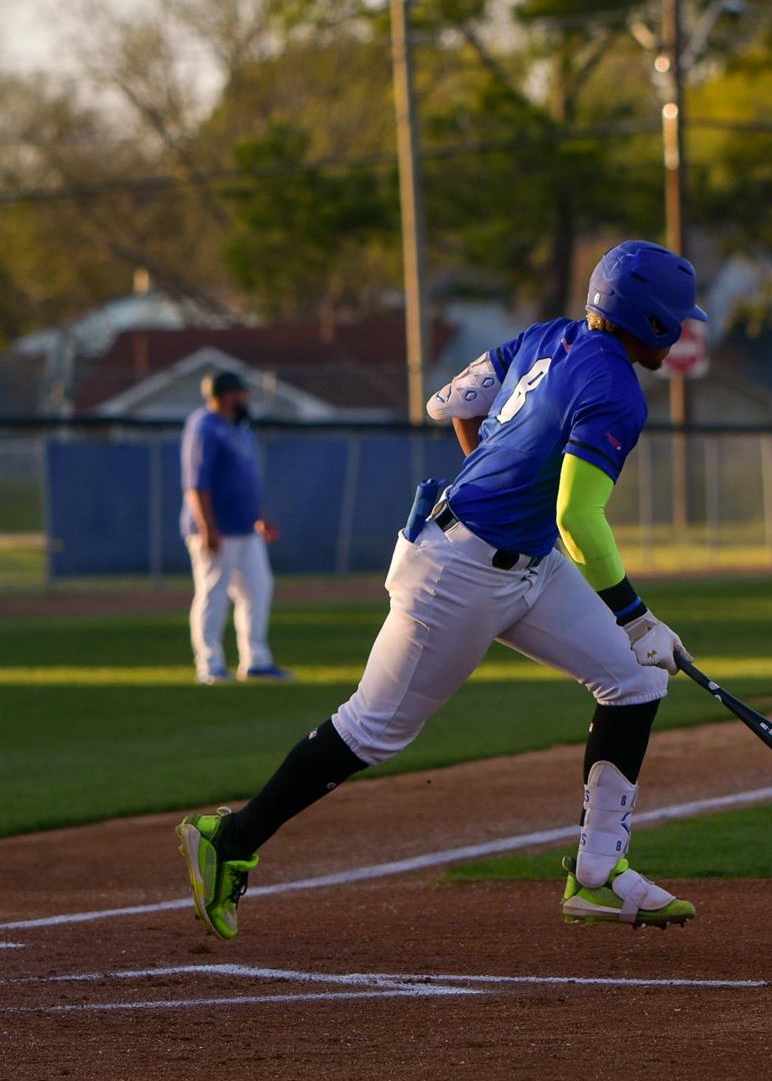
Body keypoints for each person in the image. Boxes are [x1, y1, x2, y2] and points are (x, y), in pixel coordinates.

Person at [175, 240, 709, 938]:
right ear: (651, 320)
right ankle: (230, 839)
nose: (680, 331)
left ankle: (598, 874)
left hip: (522, 560)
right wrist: (636, 618)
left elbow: (448, 402)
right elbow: (578, 518)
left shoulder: (549, 335)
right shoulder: (616, 391)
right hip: (457, 572)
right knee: (372, 728)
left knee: (635, 681)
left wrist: (498, 462)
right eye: (676, 319)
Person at [181, 371, 289, 684]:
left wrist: (259, 516)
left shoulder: (239, 427)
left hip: (245, 526)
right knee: (213, 593)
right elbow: (196, 484)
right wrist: (207, 528)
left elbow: (244, 481)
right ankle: (210, 664)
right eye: (241, 392)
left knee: (258, 588)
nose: (246, 398)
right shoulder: (204, 427)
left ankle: (256, 661)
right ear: (226, 394)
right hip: (217, 528)